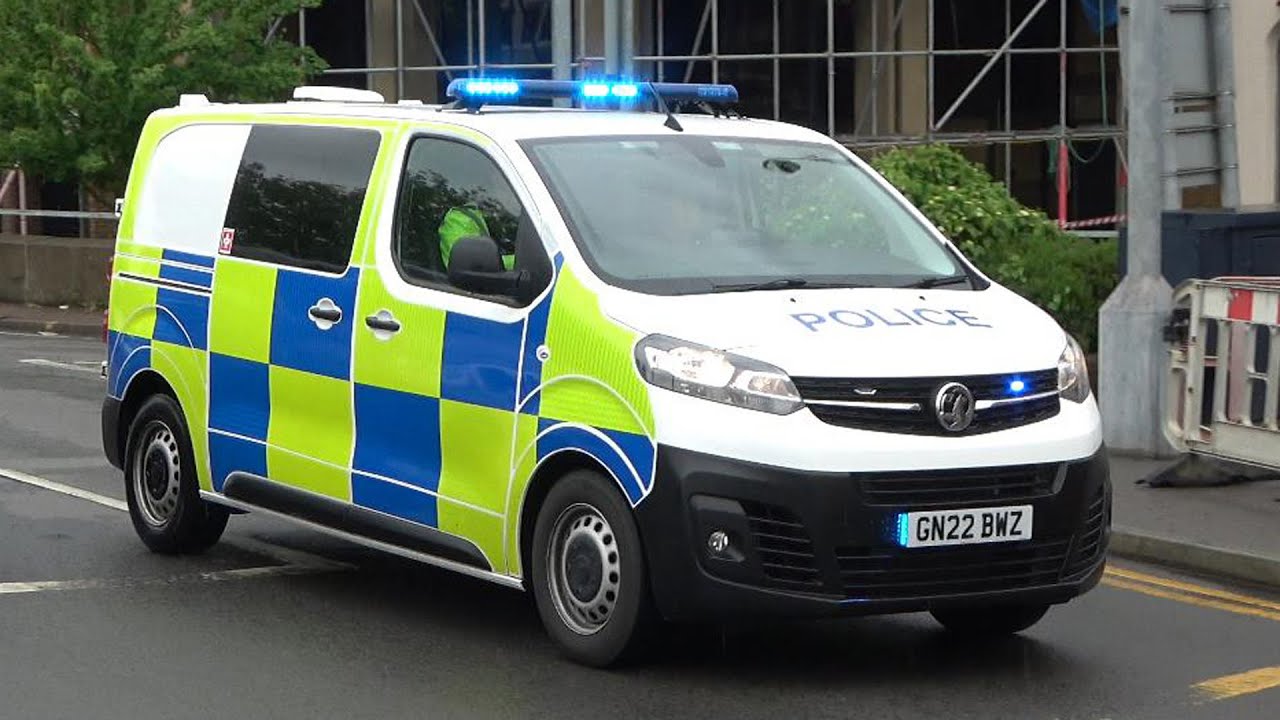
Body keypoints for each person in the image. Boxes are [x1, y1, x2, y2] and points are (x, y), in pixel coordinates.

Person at [438, 203, 515, 271]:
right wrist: (521, 261)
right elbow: (472, 263)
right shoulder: (456, 219)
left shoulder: (481, 211)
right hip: (460, 284)